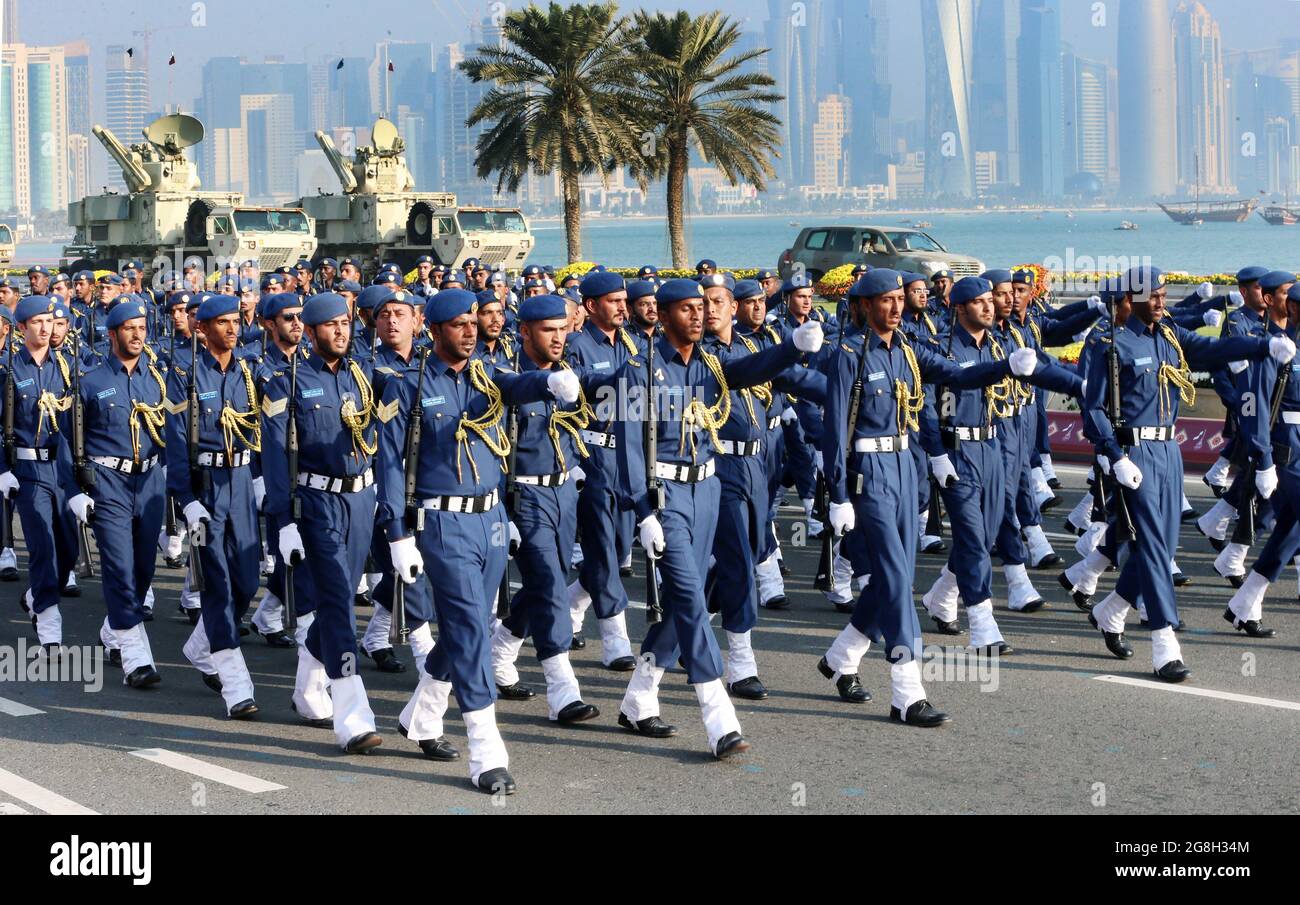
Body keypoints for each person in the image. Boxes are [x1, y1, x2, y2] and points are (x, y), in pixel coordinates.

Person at [375, 287, 579, 794]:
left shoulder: (487, 373)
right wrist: (398, 534)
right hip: (442, 523)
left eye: (474, 322)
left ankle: (420, 715)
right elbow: (390, 464)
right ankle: (486, 752)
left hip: (489, 518)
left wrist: (552, 380)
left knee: (471, 628)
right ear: (435, 329)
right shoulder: (408, 384)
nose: (470, 330)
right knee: (467, 626)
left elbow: (516, 385)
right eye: (459, 324)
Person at [819, 269, 1044, 723]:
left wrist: (1005, 367)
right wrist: (839, 495)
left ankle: (842, 656)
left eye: (899, 298)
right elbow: (833, 430)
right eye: (885, 300)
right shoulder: (847, 354)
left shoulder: (908, 349)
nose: (897, 307)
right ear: (864, 306)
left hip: (906, 466)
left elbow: (956, 376)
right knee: (898, 580)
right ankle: (907, 690)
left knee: (890, 577)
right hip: (872, 471)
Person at [613, 278, 824, 758]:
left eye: (700, 307)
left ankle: (639, 696)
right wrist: (643, 511)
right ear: (662, 317)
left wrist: (791, 347)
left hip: (707, 488)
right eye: (685, 309)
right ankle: (718, 715)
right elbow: (628, 448)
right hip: (666, 494)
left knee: (691, 596)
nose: (696, 315)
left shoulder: (710, 363)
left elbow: (750, 368)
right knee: (688, 594)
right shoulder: (639, 371)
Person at [1082, 266, 1294, 682]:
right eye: (1155, 296)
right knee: (1155, 548)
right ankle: (1164, 644)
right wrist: (1112, 454)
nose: (1163, 302)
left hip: (1167, 449)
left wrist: (1263, 347)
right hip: (1133, 450)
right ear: (1131, 298)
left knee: (1165, 542)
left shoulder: (1168, 334)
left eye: (1164, 295)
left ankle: (1110, 612)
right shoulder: (1108, 342)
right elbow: (1092, 408)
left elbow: (1211, 350)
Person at [920, 277, 1081, 647]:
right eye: (980, 302)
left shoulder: (999, 343)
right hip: (957, 453)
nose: (990, 307)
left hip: (993, 445)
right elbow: (926, 407)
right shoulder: (940, 349)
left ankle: (941, 595)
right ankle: (982, 624)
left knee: (986, 534)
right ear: (960, 308)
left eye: (990, 300)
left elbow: (1040, 368)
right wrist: (937, 453)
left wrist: (1081, 387)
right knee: (974, 539)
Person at [260, 293, 383, 752]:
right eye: (330, 326)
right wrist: (283, 517)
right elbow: (275, 454)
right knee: (337, 603)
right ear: (310, 334)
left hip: (361, 501)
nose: (341, 332)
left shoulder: (361, 374)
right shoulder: (285, 381)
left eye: (345, 323)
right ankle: (353, 713)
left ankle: (306, 685)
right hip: (317, 503)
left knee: (340, 598)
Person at [489, 293, 616, 724]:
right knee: (546, 582)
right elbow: (513, 390)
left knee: (550, 581)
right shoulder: (505, 375)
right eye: (548, 330)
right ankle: (563, 692)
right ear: (524, 332)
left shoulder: (569, 375)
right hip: (524, 496)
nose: (558, 337)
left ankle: (501, 645)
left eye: (562, 328)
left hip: (563, 493)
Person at [166, 294, 262, 719]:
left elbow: (258, 429)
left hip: (240, 482)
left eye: (235, 321)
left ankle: (200, 643)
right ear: (202, 329)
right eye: (221, 323)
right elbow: (173, 444)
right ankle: (235, 682)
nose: (232, 328)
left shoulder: (246, 371)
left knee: (246, 578)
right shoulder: (184, 375)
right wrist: (186, 501)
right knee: (216, 581)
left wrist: (260, 481)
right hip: (204, 489)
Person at [69, 299, 169, 687]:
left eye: (142, 327)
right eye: (129, 328)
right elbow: (68, 442)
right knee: (119, 570)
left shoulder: (157, 380)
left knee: (144, 571)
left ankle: (113, 631)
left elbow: (172, 437)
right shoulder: (91, 382)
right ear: (112, 334)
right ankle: (136, 659)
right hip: (108, 483)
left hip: (149, 483)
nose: (137, 334)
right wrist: (75, 490)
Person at [563, 271, 642, 666]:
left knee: (619, 548)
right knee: (601, 551)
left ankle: (570, 605)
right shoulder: (576, 346)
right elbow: (574, 390)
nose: (623, 307)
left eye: (624, 300)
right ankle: (616, 641)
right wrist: (619, 376)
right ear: (592, 306)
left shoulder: (632, 343)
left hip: (629, 459)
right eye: (614, 301)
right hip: (593, 457)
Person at [0, 296, 81, 648]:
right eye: (37, 322)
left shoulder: (66, 369)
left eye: (49, 320)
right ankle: (49, 623)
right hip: (28, 470)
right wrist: (3, 469)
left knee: (68, 549)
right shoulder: (8, 372)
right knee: (43, 547)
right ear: (21, 329)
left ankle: (36, 595)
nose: (46, 328)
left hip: (61, 470)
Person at [1223, 279, 1300, 638]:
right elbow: (1254, 406)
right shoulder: (1276, 348)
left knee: (1290, 527)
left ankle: (1245, 599)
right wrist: (1265, 459)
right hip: (1287, 445)